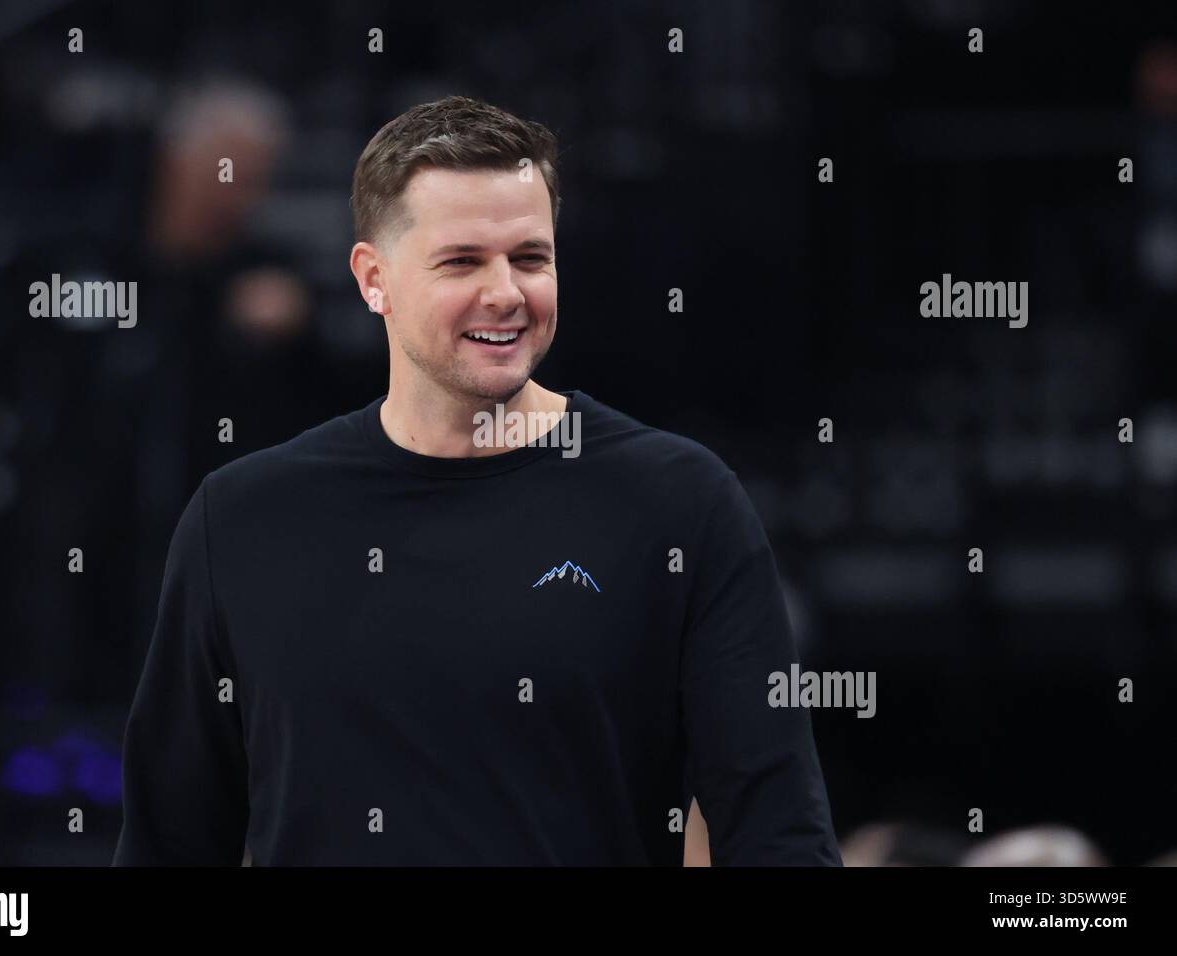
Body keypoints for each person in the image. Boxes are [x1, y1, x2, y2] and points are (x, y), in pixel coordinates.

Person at [112, 95, 841, 866]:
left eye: (530, 258)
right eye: (462, 261)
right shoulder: (241, 519)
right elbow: (169, 842)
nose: (505, 293)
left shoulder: (679, 503)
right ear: (374, 279)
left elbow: (777, 832)